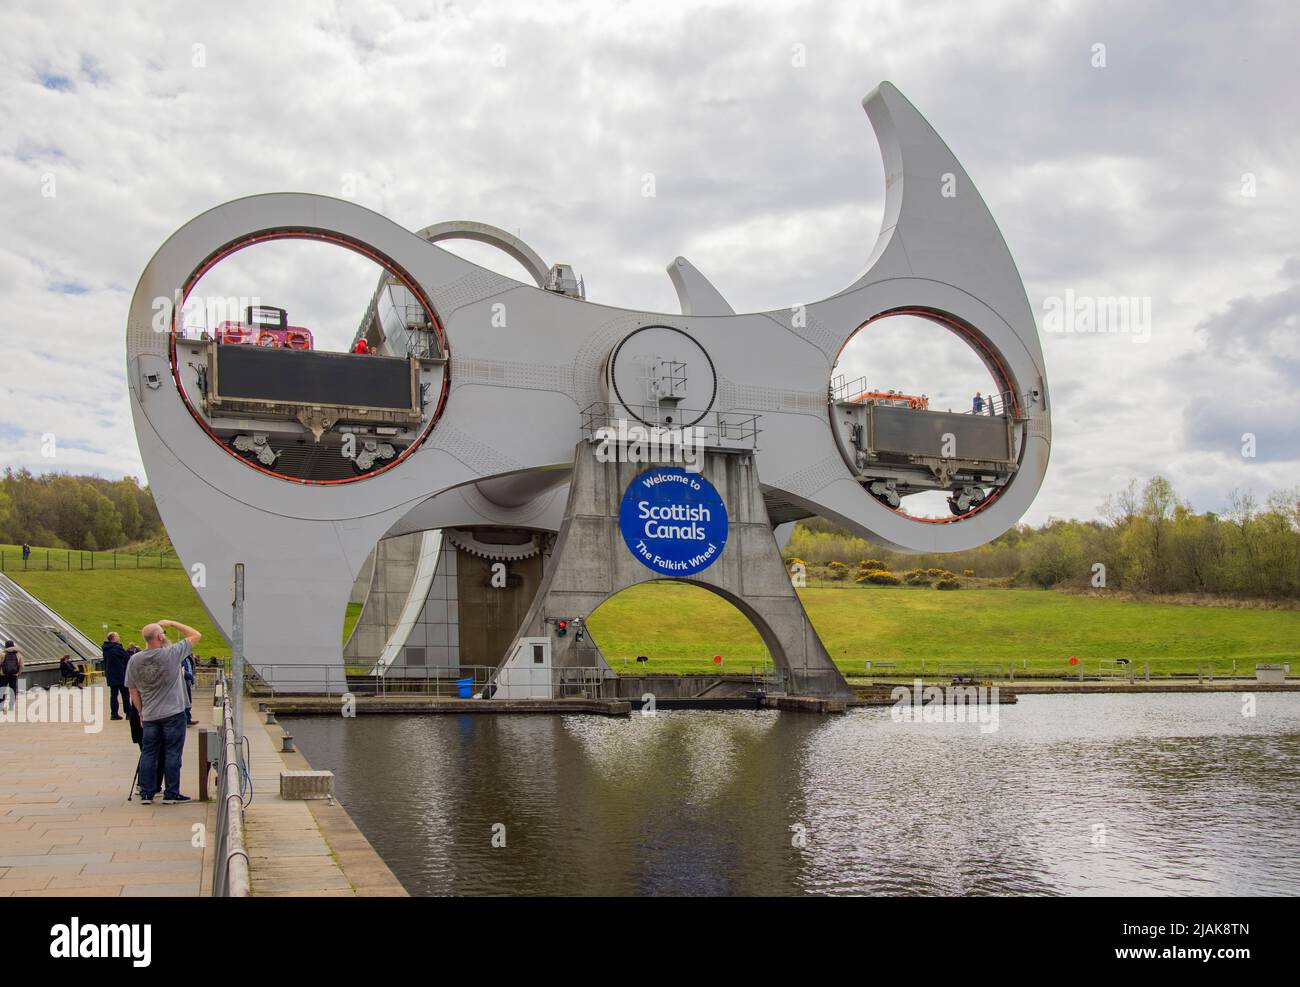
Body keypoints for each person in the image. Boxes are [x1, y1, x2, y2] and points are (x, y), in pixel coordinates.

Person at [126, 619, 201, 806]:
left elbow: (132, 690)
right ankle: (171, 793)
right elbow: (196, 635)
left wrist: (141, 712)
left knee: (148, 753)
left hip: (150, 714)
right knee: (173, 753)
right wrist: (172, 624)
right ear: (159, 637)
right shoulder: (171, 654)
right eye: (163, 634)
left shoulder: (134, 660)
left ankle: (146, 793)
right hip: (173, 713)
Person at [102, 632, 131, 720]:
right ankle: (128, 713)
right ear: (113, 638)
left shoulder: (105, 649)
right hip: (120, 674)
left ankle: (114, 714)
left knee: (113, 695)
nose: (119, 637)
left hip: (110, 675)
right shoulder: (117, 648)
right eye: (118, 636)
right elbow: (127, 657)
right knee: (125, 694)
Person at [1, 641, 20, 709]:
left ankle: (1, 705)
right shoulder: (18, 655)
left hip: (3, 675)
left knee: (2, 689)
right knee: (13, 689)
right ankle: (11, 706)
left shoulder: (2, 654)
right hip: (14, 675)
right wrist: (18, 673)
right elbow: (22, 665)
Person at [182, 650, 197, 725]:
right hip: (184, 682)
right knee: (186, 701)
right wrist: (191, 677)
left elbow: (191, 667)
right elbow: (182, 671)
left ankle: (188, 719)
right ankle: (186, 720)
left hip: (188, 681)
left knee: (189, 701)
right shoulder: (181, 658)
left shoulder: (189, 658)